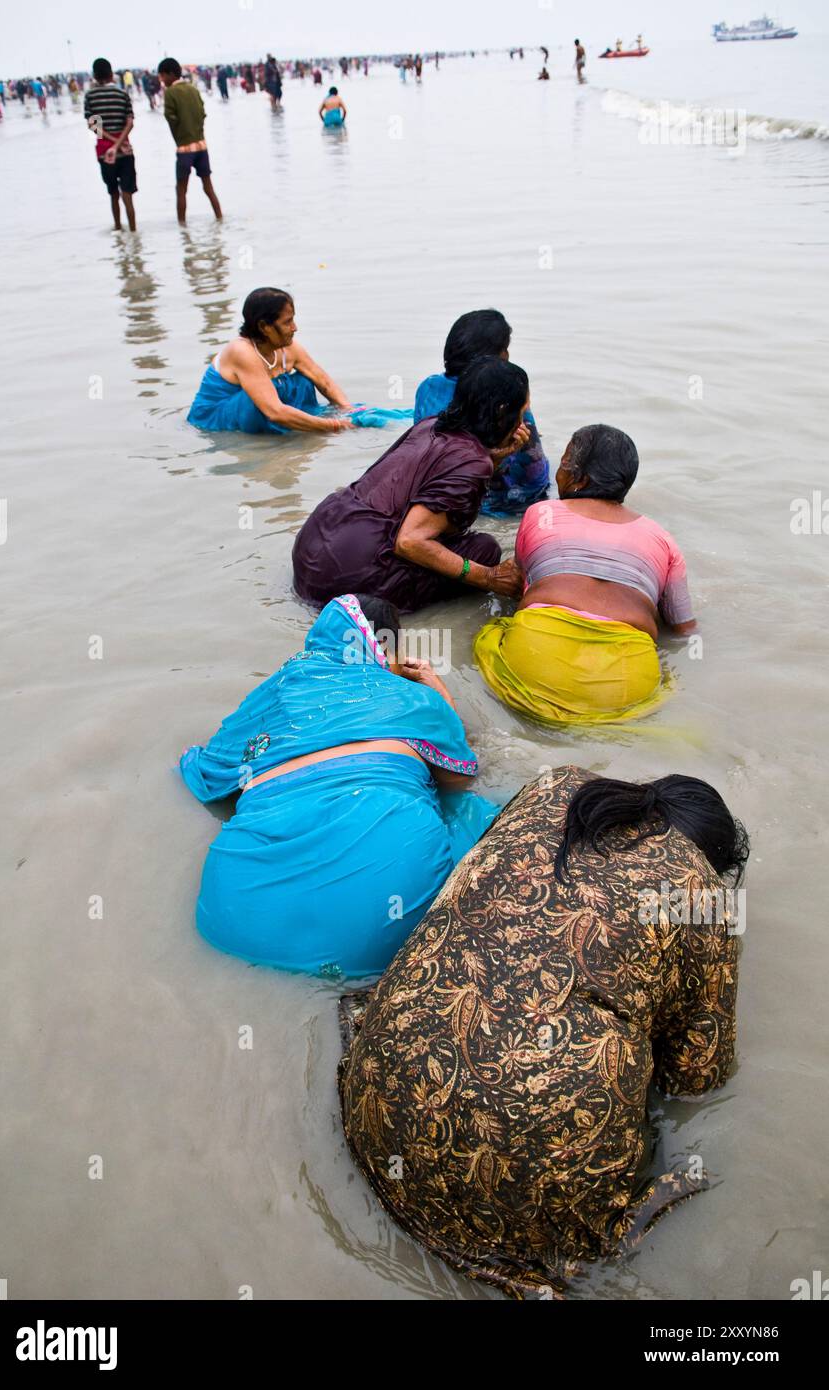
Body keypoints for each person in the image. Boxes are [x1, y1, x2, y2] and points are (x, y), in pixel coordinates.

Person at [339, 763, 749, 1296]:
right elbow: (697, 1078)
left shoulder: (556, 785)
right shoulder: (701, 894)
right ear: (710, 859)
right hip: (523, 1181)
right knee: (695, 1171)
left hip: (381, 1095)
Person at [180, 594, 498, 977]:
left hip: (232, 911)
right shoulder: (409, 695)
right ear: (384, 647)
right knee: (469, 810)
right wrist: (434, 687)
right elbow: (460, 774)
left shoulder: (278, 690)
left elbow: (210, 770)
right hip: (379, 922)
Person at [474, 425, 696, 725]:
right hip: (625, 681)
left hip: (536, 660)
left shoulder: (541, 514)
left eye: (564, 465)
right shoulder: (663, 538)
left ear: (580, 479)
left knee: (492, 632)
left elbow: (520, 585)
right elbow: (683, 628)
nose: (558, 474)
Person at [293, 358, 529, 612]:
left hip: (312, 552)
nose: (522, 423)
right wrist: (488, 577)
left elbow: (441, 480)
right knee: (483, 551)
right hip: (345, 583)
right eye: (521, 413)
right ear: (503, 411)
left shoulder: (430, 426)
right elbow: (409, 542)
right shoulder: (473, 461)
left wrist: (494, 459)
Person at [187, 286, 408, 435]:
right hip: (214, 421)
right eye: (287, 322)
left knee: (363, 414)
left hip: (267, 410)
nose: (295, 328)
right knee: (268, 397)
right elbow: (274, 412)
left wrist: (348, 410)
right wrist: (335, 426)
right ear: (264, 326)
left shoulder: (288, 348)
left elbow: (324, 381)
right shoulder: (242, 351)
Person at [414, 309, 549, 516]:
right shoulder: (504, 389)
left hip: (442, 496)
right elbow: (530, 464)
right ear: (498, 355)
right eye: (505, 349)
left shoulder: (428, 388)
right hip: (508, 501)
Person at [157, 57, 222, 224]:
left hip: (184, 149)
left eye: (163, 76)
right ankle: (220, 218)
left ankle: (182, 228)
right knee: (208, 188)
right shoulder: (193, 89)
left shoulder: (170, 92)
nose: (162, 80)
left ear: (170, 74)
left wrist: (181, 133)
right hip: (201, 146)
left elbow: (171, 118)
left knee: (181, 190)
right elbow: (202, 113)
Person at [84, 58, 137, 232]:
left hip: (104, 152)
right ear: (110, 73)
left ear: (95, 75)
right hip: (125, 150)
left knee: (113, 193)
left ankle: (117, 227)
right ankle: (134, 230)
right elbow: (130, 123)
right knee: (127, 194)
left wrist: (112, 144)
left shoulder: (91, 96)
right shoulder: (122, 94)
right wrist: (120, 143)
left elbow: (94, 126)